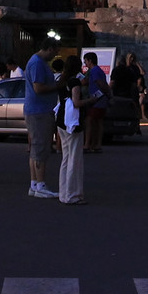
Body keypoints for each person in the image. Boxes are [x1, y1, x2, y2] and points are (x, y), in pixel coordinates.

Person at [22, 38, 61, 198]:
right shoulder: (38, 63)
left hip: (37, 110)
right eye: (55, 51)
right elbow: (38, 88)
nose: (56, 55)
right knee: (41, 148)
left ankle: (34, 184)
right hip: (39, 111)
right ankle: (41, 185)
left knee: (36, 149)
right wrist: (58, 86)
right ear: (49, 49)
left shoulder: (35, 61)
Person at [57, 56, 89, 205]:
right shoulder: (74, 82)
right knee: (75, 159)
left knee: (66, 158)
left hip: (62, 120)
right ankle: (73, 194)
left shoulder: (62, 81)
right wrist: (91, 100)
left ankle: (63, 193)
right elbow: (77, 102)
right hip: (72, 122)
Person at [83, 52, 110, 153]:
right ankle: (96, 144)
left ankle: (88, 144)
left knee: (90, 120)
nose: (85, 63)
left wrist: (101, 94)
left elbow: (100, 83)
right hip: (101, 100)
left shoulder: (94, 71)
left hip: (97, 100)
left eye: (85, 61)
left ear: (90, 61)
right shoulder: (99, 70)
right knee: (98, 122)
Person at [113, 51, 145, 120]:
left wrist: (138, 86)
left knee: (135, 103)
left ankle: (136, 117)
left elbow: (140, 76)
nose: (131, 60)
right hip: (122, 90)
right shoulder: (123, 69)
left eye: (133, 58)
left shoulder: (134, 68)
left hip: (131, 89)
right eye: (130, 58)